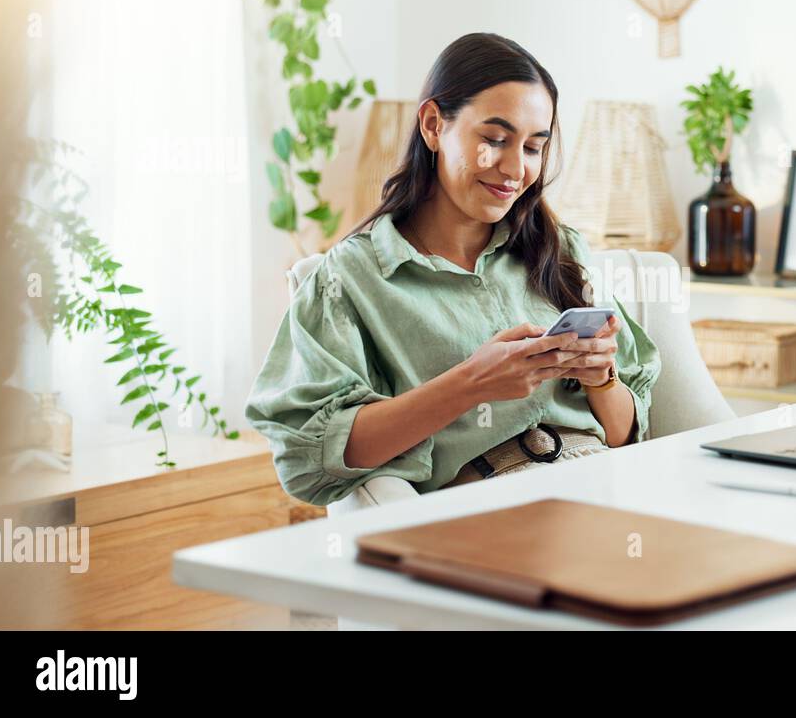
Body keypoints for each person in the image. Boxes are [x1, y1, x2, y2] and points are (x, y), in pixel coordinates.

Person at [246, 33, 660, 506]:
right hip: (489, 511)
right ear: (432, 124)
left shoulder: (560, 251)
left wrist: (601, 377)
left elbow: (625, 435)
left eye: (532, 147)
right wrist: (471, 385)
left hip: (603, 488)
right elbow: (307, 459)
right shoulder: (353, 277)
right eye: (494, 140)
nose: (514, 169)